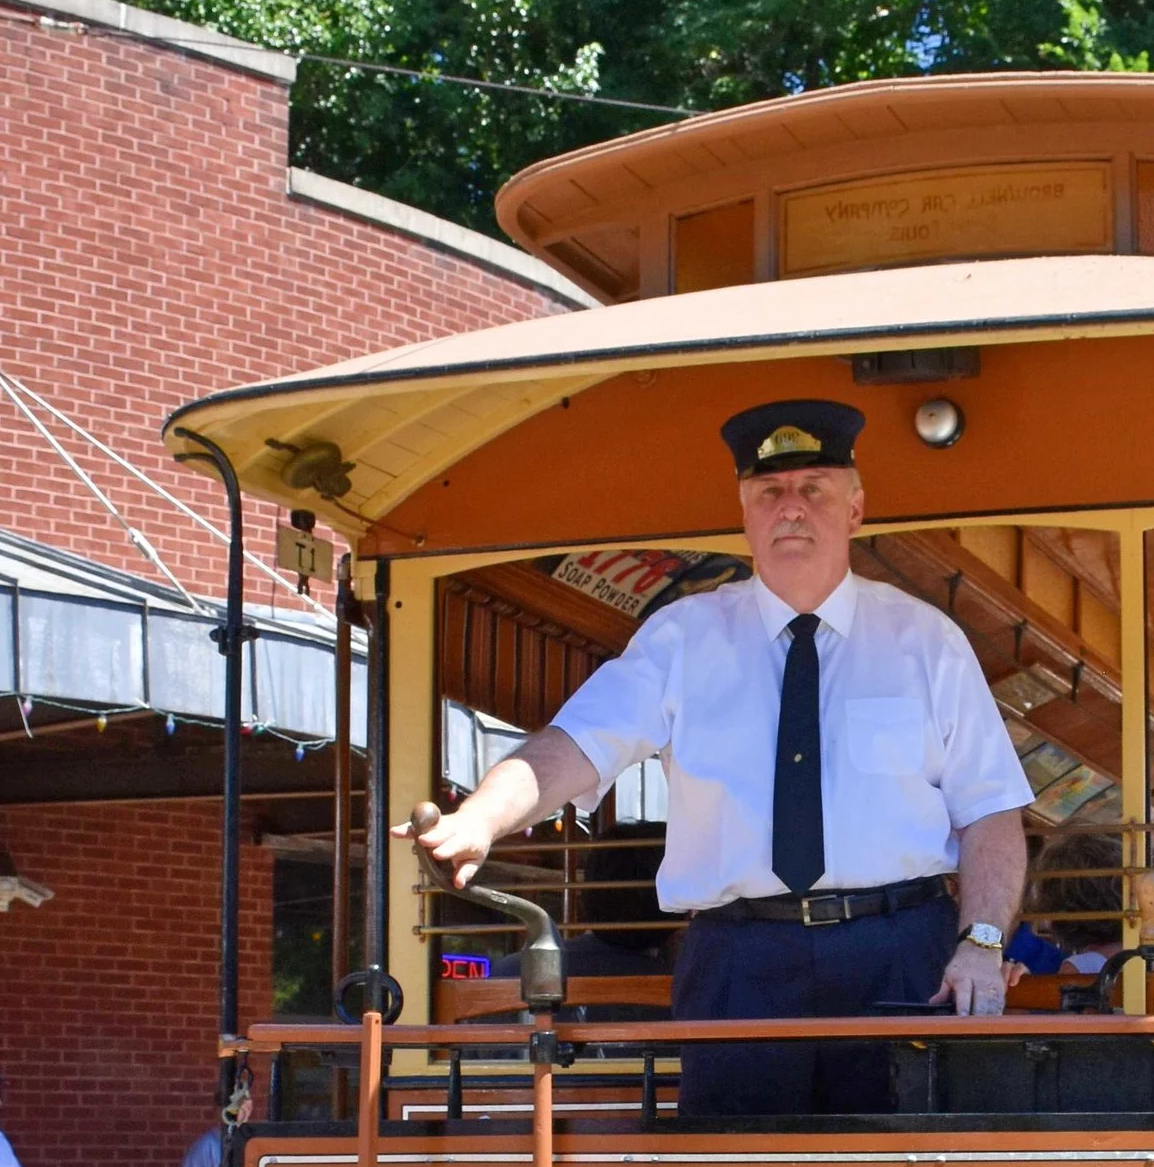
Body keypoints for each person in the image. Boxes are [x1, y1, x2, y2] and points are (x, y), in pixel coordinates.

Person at [404, 398, 1032, 1116]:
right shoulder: (680, 640)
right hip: (740, 963)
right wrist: (482, 816)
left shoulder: (928, 642)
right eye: (769, 493)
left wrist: (981, 942)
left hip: (898, 957)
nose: (791, 509)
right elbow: (574, 746)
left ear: (855, 509)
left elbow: (990, 812)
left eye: (814, 490)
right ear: (746, 515)